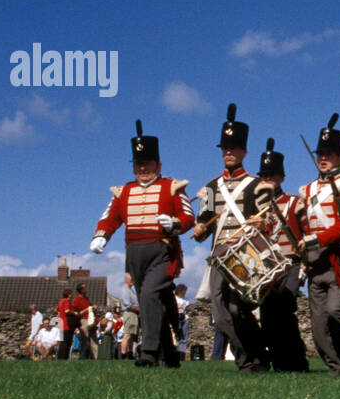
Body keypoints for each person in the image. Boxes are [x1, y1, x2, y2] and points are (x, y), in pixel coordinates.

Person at [91, 118, 195, 367]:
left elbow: (189, 217)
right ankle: (169, 354)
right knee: (152, 302)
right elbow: (111, 217)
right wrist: (101, 235)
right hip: (134, 254)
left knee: (148, 295)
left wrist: (175, 224)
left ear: (158, 164)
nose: (143, 169)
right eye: (138, 164)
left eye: (147, 164)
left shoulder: (172, 187)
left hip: (162, 253)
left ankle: (148, 352)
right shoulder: (124, 191)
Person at [192, 104, 274, 373]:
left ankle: (256, 357)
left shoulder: (255, 185)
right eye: (225, 148)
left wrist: (261, 222)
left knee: (239, 310)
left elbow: (268, 220)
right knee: (220, 314)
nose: (229, 153)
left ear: (244, 152)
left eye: (234, 148)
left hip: (243, 253)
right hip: (218, 256)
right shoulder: (213, 187)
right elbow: (204, 219)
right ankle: (245, 359)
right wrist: (199, 228)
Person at [299, 114, 340, 376]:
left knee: (338, 313)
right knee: (318, 324)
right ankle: (335, 368)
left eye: (329, 154)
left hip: (339, 259)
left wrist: (316, 240)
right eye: (321, 153)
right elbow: (306, 224)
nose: (323, 158)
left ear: (339, 157)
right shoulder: (309, 189)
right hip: (316, 262)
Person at [254, 138, 310, 373]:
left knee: (285, 311)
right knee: (268, 314)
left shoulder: (294, 203)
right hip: (265, 266)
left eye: (273, 175)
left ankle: (297, 361)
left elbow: (306, 232)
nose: (269, 180)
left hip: (290, 263)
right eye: (265, 175)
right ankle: (279, 361)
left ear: (282, 178)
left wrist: (305, 263)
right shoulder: (255, 207)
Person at [120, 273, 140, 360]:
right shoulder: (125, 290)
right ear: (127, 280)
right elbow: (127, 304)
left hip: (134, 314)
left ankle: (130, 353)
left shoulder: (131, 290)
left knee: (131, 335)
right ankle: (123, 354)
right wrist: (139, 310)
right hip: (129, 313)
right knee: (127, 334)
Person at [55, 288, 77, 360]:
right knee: (67, 342)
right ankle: (64, 357)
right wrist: (74, 313)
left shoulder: (61, 301)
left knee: (62, 342)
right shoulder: (67, 301)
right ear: (69, 294)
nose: (72, 295)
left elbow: (57, 311)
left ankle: (59, 357)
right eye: (71, 294)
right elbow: (67, 310)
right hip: (67, 324)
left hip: (61, 324)